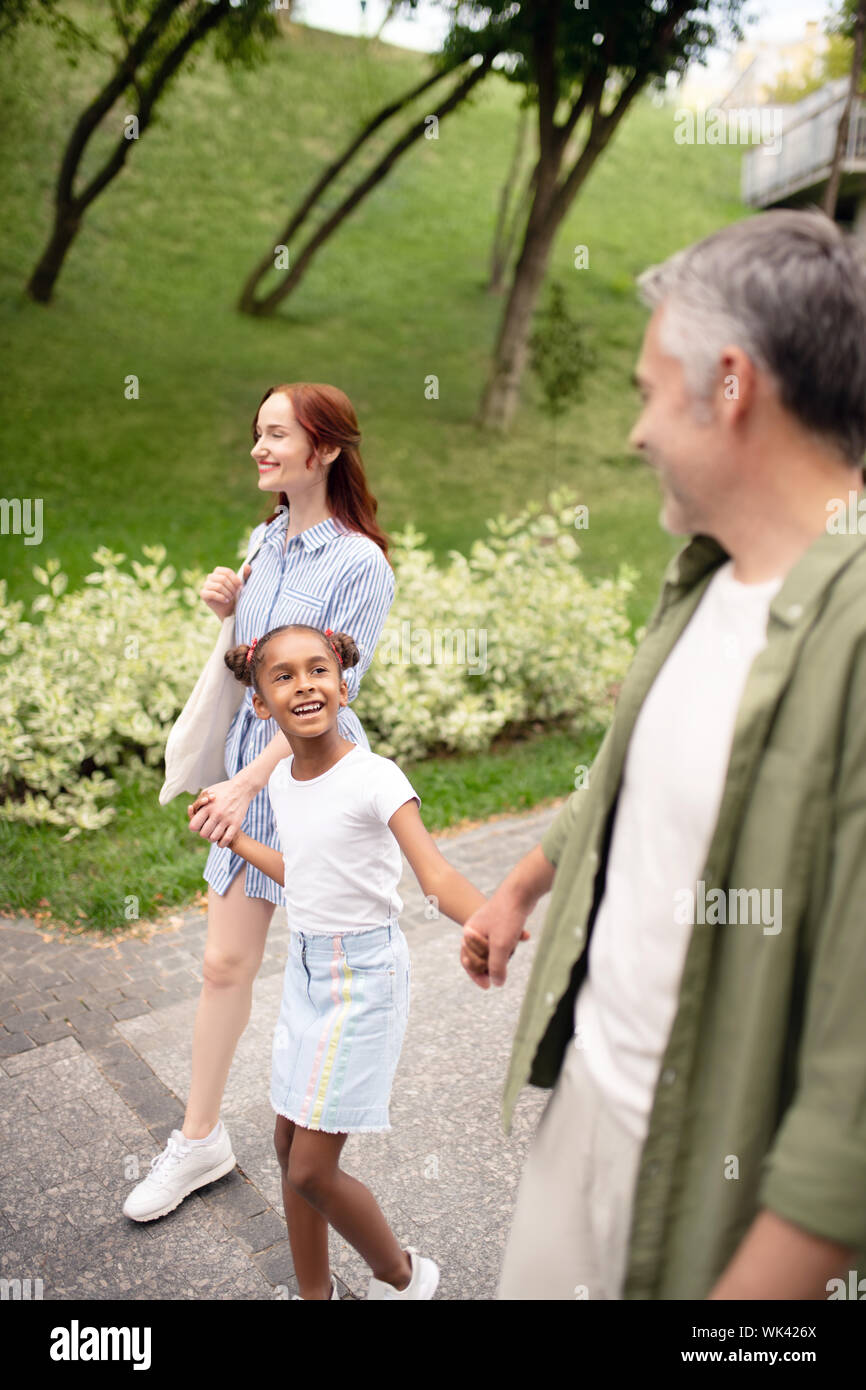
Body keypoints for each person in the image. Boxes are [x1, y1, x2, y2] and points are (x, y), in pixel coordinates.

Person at [460, 209, 866, 1299]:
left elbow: (852, 1099)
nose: (635, 432)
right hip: (584, 1098)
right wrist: (521, 884)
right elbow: (632, 774)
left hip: (711, 1191)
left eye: (647, 392)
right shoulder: (703, 576)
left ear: (729, 383)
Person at [123, 383, 396, 1222]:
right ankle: (200, 1139)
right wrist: (229, 609)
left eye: (276, 435)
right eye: (258, 434)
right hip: (249, 784)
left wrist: (250, 782)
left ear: (326, 450)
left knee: (326, 977)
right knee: (221, 967)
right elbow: (257, 668)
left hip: (309, 790)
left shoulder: (360, 565)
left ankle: (316, 1158)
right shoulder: (266, 539)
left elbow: (328, 697)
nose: (258, 448)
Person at [188, 621, 492, 1300]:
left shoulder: (374, 778)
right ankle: (313, 1294)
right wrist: (235, 839)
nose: (305, 685)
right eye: (284, 675)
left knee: (310, 1172)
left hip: (364, 980)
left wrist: (485, 919)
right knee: (284, 1145)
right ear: (261, 705)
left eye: (318, 669)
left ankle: (404, 1280)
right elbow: (306, 873)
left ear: (343, 684)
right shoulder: (287, 783)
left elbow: (435, 877)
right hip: (305, 974)